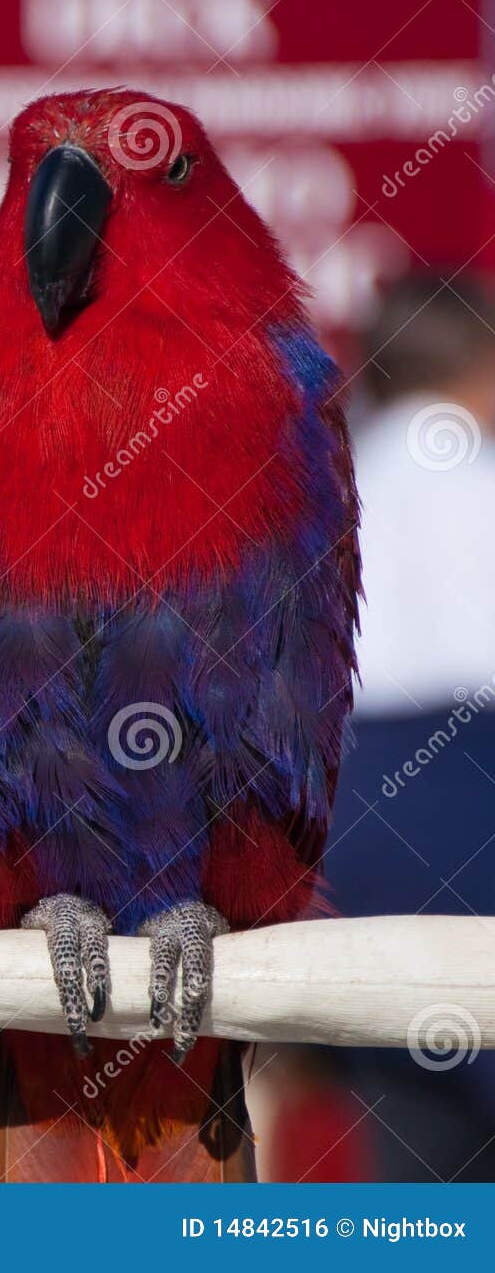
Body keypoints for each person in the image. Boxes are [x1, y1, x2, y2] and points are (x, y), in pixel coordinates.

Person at [322, 273, 495, 1180]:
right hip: (467, 794)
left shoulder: (323, 487)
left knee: (419, 1136)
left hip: (343, 811)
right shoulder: (478, 479)